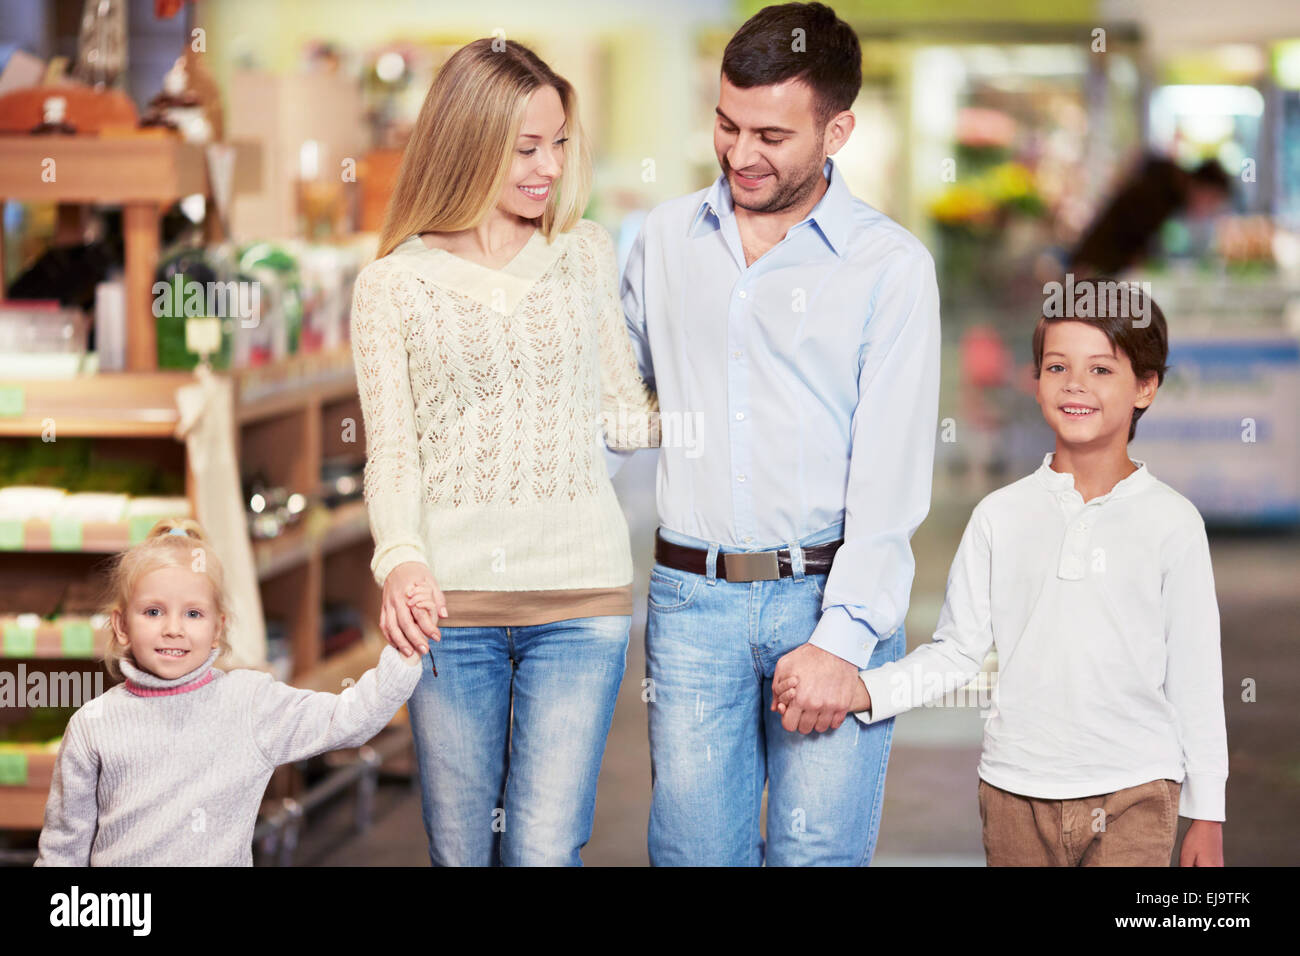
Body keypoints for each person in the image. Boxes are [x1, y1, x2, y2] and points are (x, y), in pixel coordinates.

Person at [619, 2, 940, 865]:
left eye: (771, 135)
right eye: (727, 125)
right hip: (690, 604)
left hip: (826, 597)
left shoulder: (890, 268)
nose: (739, 154)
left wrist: (842, 641)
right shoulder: (664, 239)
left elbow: (890, 480)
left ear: (838, 132)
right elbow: (620, 401)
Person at [780, 281, 1228, 866]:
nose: (1075, 384)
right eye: (1057, 366)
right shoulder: (999, 516)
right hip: (1014, 792)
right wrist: (864, 689)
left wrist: (1207, 813)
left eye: (1100, 369)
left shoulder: (1173, 522)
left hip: (1137, 792)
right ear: (1034, 381)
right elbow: (957, 652)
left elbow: (1195, 676)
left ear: (1146, 386)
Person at [351, 38, 658, 866]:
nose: (550, 166)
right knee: (460, 851)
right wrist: (400, 559)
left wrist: (730, 395)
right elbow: (393, 452)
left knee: (543, 851)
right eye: (527, 147)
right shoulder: (391, 285)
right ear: (469, 141)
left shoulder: (583, 252)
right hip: (450, 609)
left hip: (581, 598)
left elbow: (625, 417)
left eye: (558, 143)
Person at [35, 519, 423, 867]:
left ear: (217, 628)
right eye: (153, 612)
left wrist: (405, 652)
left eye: (193, 613)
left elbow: (345, 719)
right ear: (121, 626)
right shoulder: (92, 725)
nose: (173, 629)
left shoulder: (248, 704)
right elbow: (62, 851)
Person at [1068, 156, 1231, 276]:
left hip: (1098, 263)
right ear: (1201, 186)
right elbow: (1132, 240)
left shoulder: (1167, 185)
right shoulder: (1159, 192)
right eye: (1212, 201)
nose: (1209, 209)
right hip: (1094, 265)